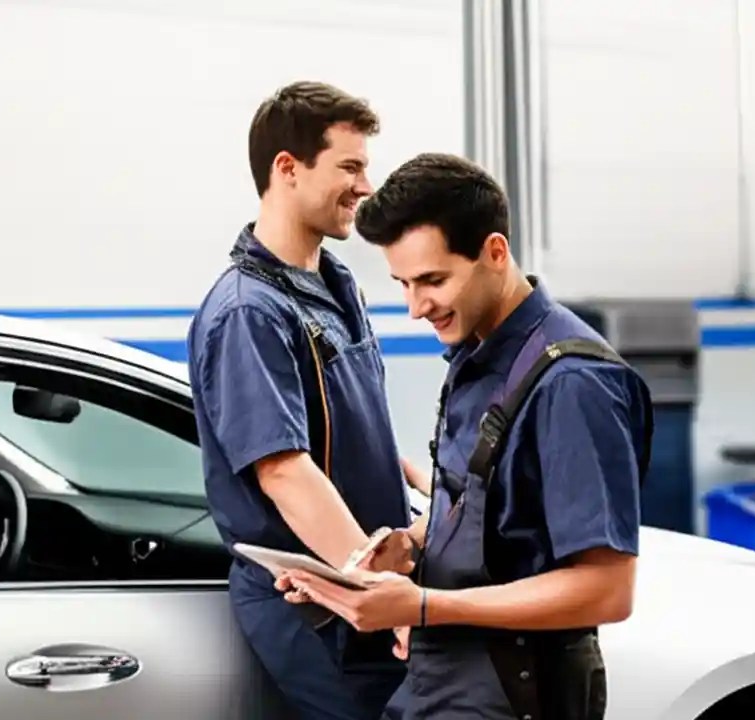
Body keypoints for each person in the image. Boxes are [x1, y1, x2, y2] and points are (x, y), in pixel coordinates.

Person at [278, 153, 654, 720]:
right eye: (403, 283)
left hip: (515, 696)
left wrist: (426, 605)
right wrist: (403, 549)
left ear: (495, 253)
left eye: (433, 280)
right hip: (442, 687)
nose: (415, 307)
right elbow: (493, 513)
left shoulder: (572, 384)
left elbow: (606, 589)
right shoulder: (476, 353)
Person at [186, 81, 417, 720]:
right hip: (317, 608)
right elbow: (283, 468)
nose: (365, 186)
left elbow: (352, 429)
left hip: (365, 593)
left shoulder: (339, 284)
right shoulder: (247, 312)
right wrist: (372, 581)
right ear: (287, 169)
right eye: (350, 166)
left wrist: (436, 499)